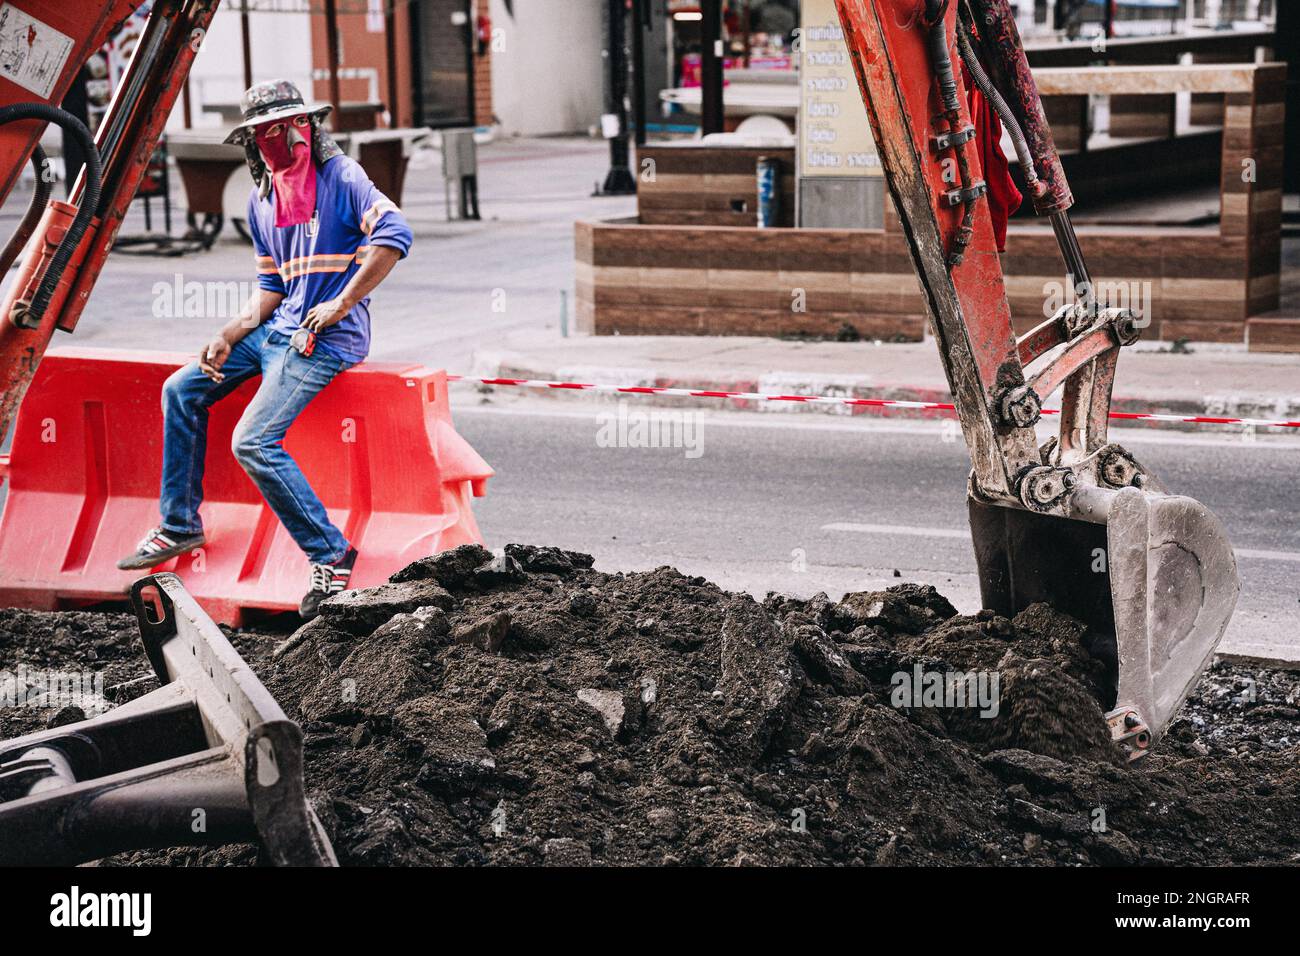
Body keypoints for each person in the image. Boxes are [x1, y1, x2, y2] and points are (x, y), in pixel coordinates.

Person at [117, 79, 413, 620]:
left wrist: (342, 304)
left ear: (307, 127)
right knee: (180, 389)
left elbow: (394, 235)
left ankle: (331, 555)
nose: (277, 140)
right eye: (263, 132)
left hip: (323, 338)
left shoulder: (341, 177)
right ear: (252, 141)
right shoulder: (263, 200)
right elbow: (272, 289)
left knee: (253, 441)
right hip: (276, 330)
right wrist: (229, 334)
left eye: (286, 126)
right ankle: (179, 524)